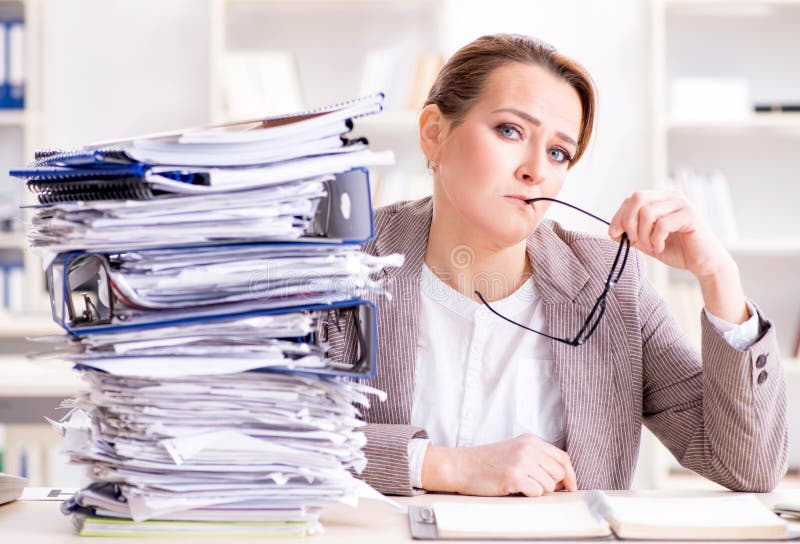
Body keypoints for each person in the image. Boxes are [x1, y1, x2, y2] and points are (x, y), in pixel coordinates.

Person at [326, 33, 787, 496]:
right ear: (434, 133)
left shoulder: (610, 286)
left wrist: (718, 278)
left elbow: (750, 468)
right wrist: (444, 466)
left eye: (558, 152)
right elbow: (266, 440)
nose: (535, 171)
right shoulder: (341, 266)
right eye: (510, 130)